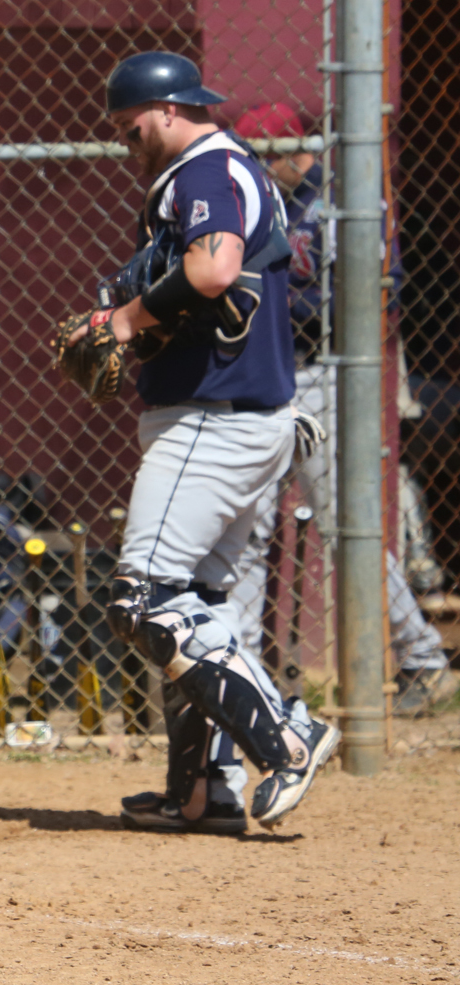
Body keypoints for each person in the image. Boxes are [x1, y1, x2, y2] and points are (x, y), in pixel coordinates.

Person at [70, 52, 338, 834]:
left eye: (130, 126)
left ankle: (287, 735)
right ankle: (201, 791)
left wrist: (123, 322)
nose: (126, 140)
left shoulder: (204, 166)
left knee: (144, 598)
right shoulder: (222, 171)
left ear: (168, 110)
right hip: (238, 416)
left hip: (212, 417)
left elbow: (214, 267)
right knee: (201, 602)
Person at [235, 102, 450, 715]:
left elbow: (372, 290)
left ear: (292, 149)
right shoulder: (263, 201)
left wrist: (276, 306)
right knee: (249, 527)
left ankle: (422, 659)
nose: (256, 164)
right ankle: (245, 667)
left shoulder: (339, 202)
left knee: (345, 529)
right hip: (265, 377)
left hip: (323, 375)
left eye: (264, 152)